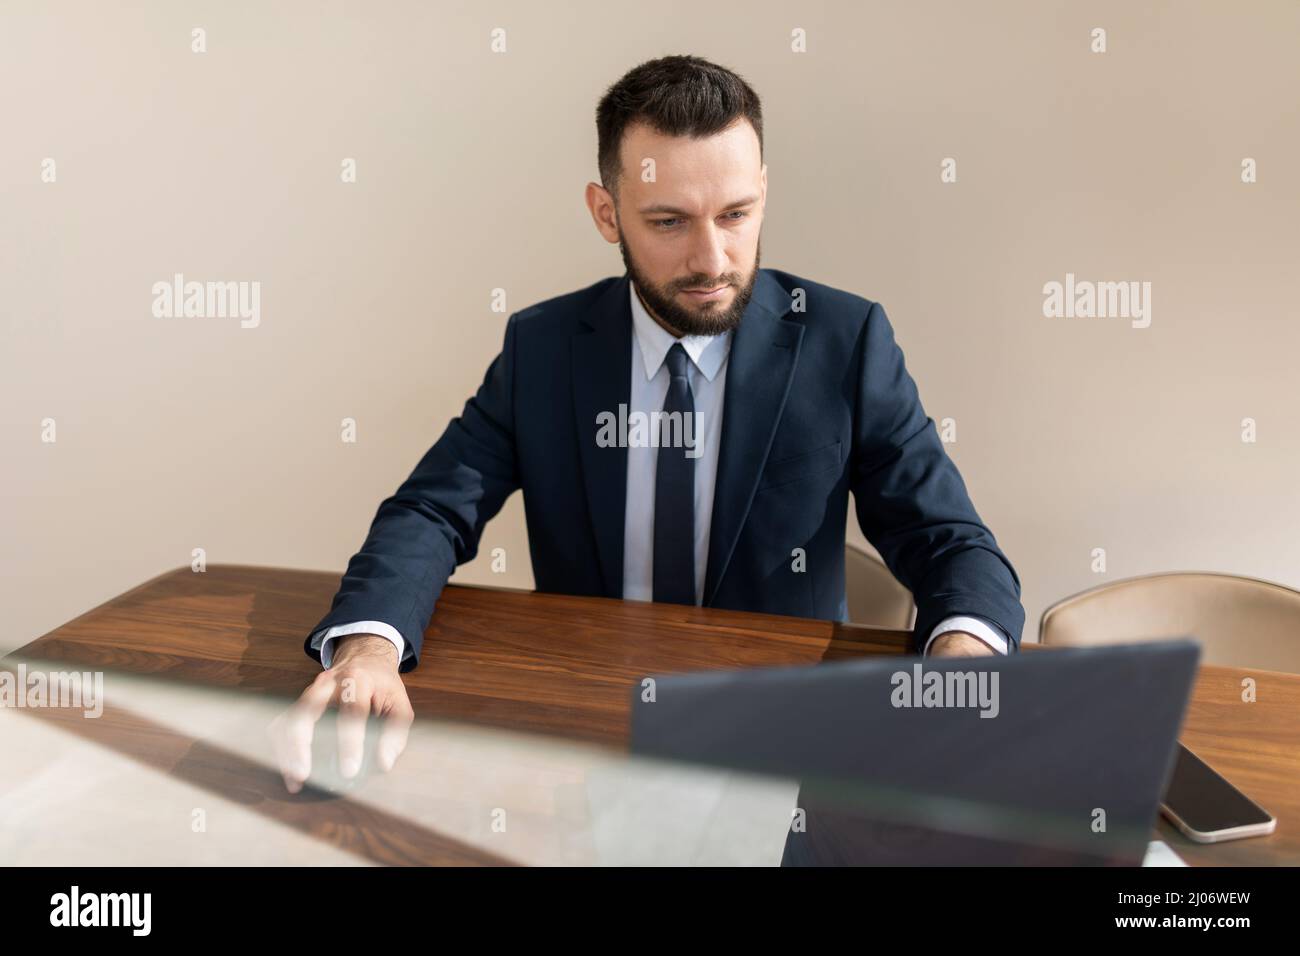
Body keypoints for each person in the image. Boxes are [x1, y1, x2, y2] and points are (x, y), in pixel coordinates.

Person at [271, 54, 1024, 795]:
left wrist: (961, 658)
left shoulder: (845, 341)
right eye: (669, 221)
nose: (712, 258)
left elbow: (949, 541)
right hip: (593, 736)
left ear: (764, 191)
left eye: (736, 215)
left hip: (786, 750)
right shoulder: (545, 348)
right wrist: (368, 650)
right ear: (608, 214)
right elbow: (432, 510)